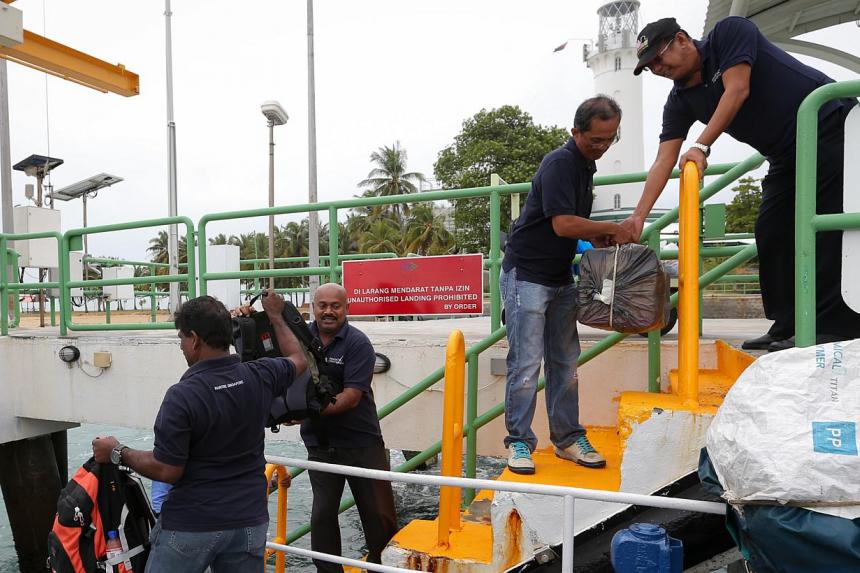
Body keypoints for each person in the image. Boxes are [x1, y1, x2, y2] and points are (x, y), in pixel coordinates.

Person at [623, 16, 860, 352]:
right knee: (770, 231)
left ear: (681, 39)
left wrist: (701, 146)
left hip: (830, 125)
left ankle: (836, 326)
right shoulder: (679, 101)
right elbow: (663, 160)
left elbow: (738, 88)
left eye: (658, 58)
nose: (656, 68)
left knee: (825, 227)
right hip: (785, 153)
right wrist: (637, 216)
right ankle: (788, 323)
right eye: (649, 67)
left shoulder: (729, 34)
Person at [92, 292, 307, 573]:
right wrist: (276, 316)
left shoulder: (182, 396)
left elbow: (168, 470)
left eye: (181, 338)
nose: (181, 346)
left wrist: (118, 452)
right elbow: (298, 359)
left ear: (194, 339)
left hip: (192, 525)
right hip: (249, 521)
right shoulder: (260, 375)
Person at [501, 95, 636, 475]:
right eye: (595, 140)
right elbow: (563, 224)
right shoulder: (560, 163)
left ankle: (566, 439)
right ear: (575, 132)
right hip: (526, 274)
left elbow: (571, 226)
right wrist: (612, 228)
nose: (603, 147)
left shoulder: (585, 167)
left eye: (610, 139)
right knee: (526, 364)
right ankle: (520, 444)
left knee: (565, 363)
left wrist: (597, 238)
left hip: (560, 275)